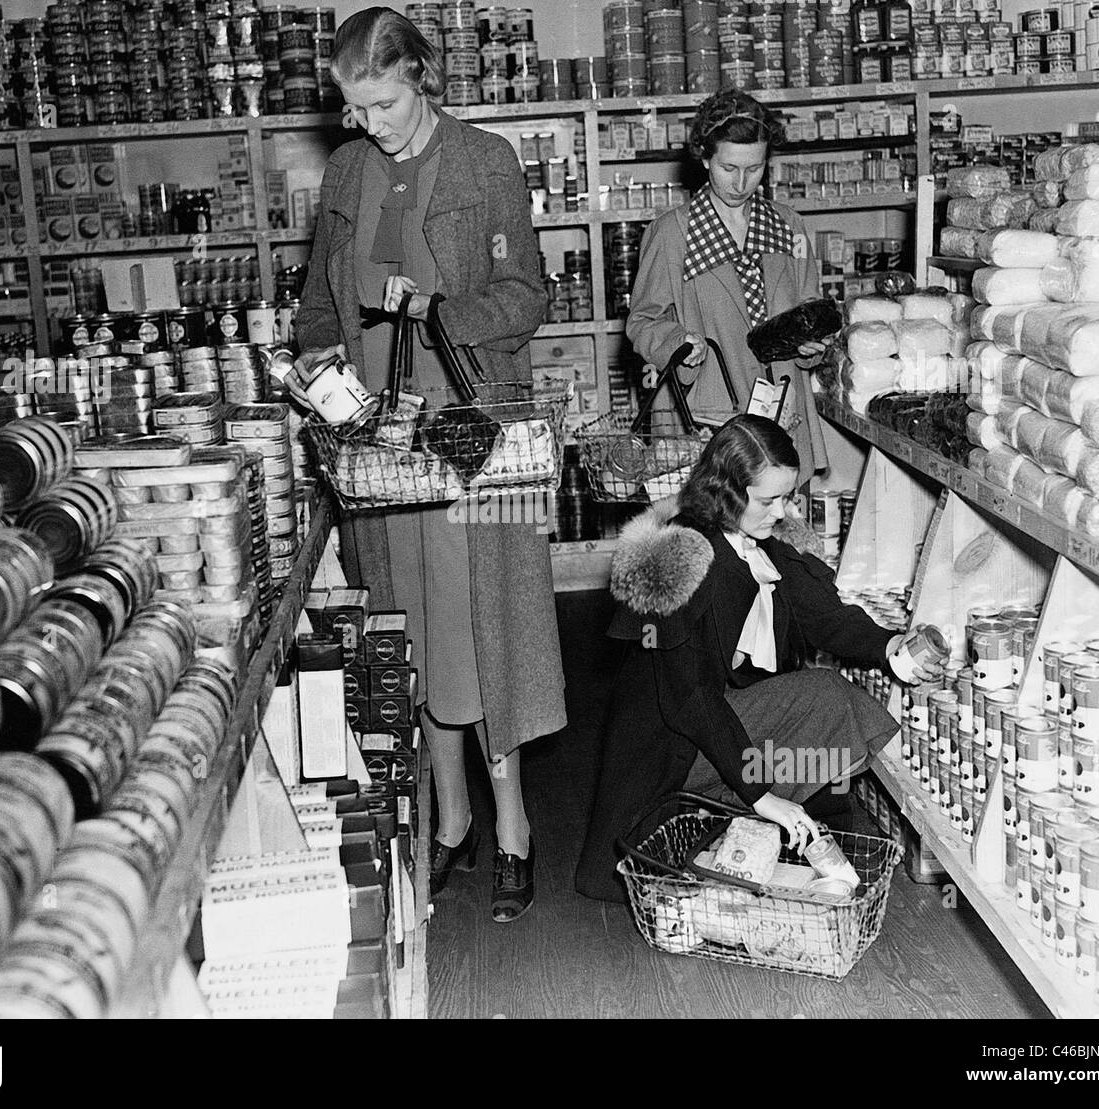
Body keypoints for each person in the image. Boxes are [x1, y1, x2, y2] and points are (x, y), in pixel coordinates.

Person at [292, 7, 566, 923]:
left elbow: (528, 293)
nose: (365, 123)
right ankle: (450, 824)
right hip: (380, 449)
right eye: (352, 108)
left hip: (469, 435)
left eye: (380, 103)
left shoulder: (485, 159)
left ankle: (517, 826)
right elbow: (321, 304)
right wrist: (315, 376)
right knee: (408, 627)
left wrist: (442, 309)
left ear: (422, 78)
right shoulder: (345, 169)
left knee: (483, 623)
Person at [575, 415, 943, 902]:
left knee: (828, 701)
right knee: (825, 697)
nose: (783, 511)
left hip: (717, 720)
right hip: (671, 748)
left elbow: (822, 615)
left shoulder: (757, 540)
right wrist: (762, 795)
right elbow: (690, 700)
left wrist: (888, 645)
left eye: (787, 496)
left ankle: (753, 833)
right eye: (769, 500)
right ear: (727, 493)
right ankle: (741, 822)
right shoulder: (682, 557)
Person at [625, 88, 833, 485]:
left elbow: (810, 312)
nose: (741, 183)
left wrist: (810, 347)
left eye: (754, 169)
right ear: (704, 158)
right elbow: (642, 321)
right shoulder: (671, 234)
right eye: (728, 168)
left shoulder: (790, 226)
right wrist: (678, 342)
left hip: (782, 415)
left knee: (779, 535)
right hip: (706, 414)